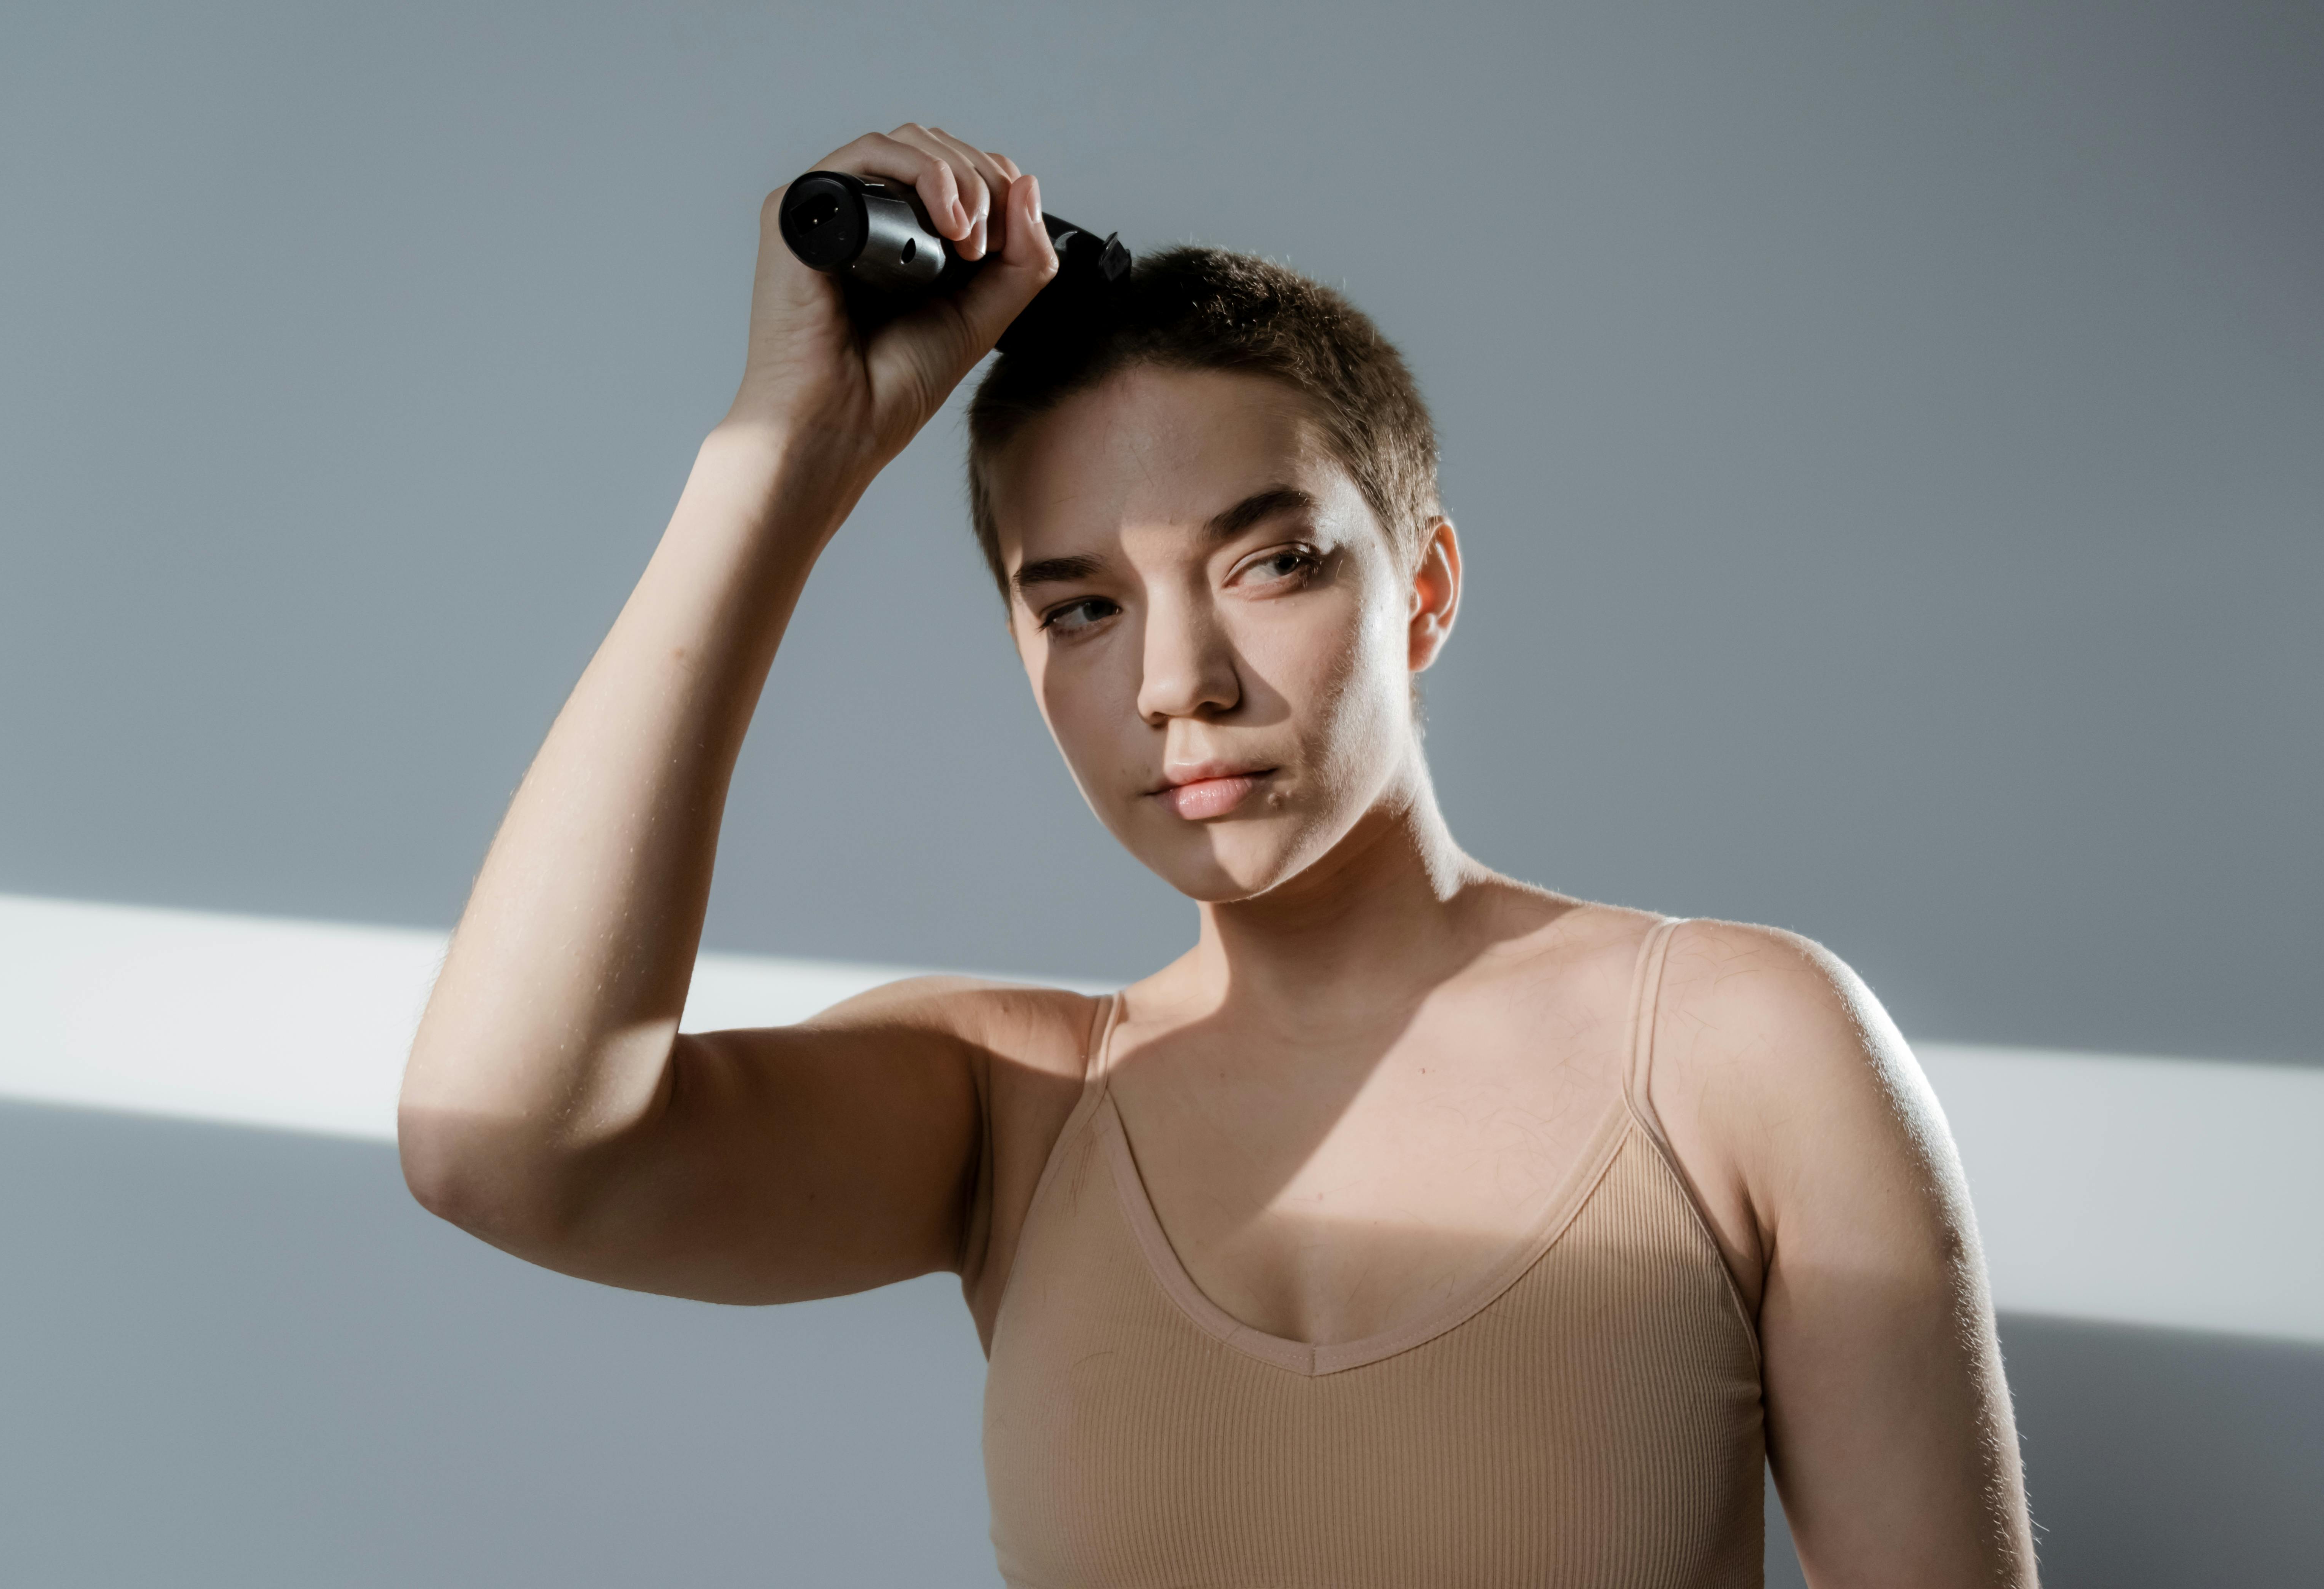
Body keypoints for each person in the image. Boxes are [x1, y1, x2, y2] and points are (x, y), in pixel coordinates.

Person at [399, 124, 2039, 1587]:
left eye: (1269, 563)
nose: (1176, 682)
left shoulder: (1740, 1051)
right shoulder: (1017, 1111)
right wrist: (781, 457)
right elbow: (502, 1145)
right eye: (1081, 608)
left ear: (1423, 590)